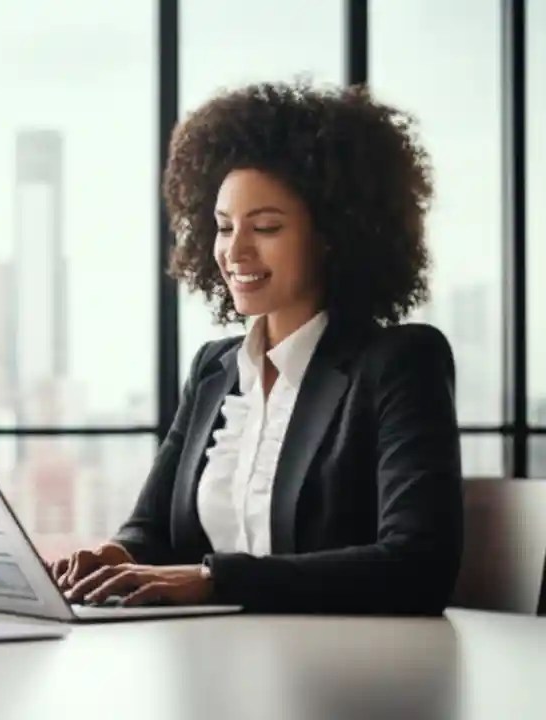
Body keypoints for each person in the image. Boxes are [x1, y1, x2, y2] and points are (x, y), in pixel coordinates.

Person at [49, 81, 463, 614]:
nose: (235, 250)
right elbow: (154, 532)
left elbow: (418, 566)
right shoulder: (215, 370)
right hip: (214, 661)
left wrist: (216, 580)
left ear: (333, 232)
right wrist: (114, 557)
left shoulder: (400, 363)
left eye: (265, 226)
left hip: (346, 670)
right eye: (223, 227)